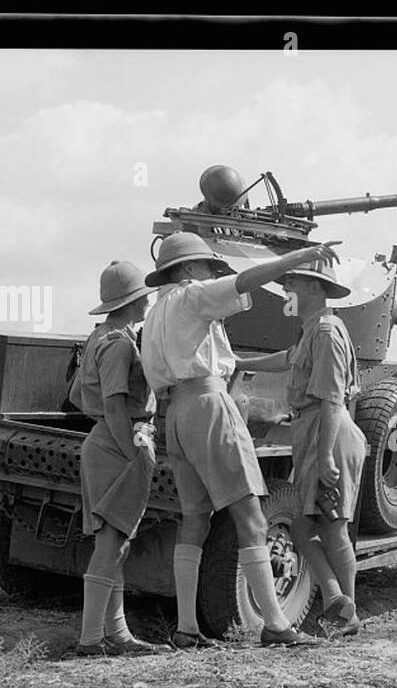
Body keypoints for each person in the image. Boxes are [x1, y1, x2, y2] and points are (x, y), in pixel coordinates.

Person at [141, 231, 341, 648]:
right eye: (207, 266)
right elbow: (244, 282)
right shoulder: (192, 294)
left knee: (194, 520)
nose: (211, 272)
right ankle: (275, 624)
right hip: (209, 403)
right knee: (252, 518)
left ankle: (186, 628)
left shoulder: (158, 309)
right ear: (191, 268)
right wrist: (297, 257)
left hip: (174, 413)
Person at [234, 254, 365, 636]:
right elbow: (290, 360)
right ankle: (338, 603)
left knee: (332, 527)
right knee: (305, 525)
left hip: (330, 434)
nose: (287, 287)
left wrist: (324, 456)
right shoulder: (313, 329)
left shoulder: (325, 332)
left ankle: (345, 612)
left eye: (295, 281)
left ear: (315, 287)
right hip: (316, 433)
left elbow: (331, 399)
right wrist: (242, 363)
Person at [70, 260, 170, 656]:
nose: (148, 302)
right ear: (134, 301)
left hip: (104, 441)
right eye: (143, 296)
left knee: (116, 543)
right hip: (120, 439)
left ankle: (115, 633)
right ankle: (91, 640)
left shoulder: (101, 336)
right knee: (111, 544)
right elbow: (113, 405)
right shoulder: (118, 344)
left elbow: (80, 396)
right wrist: (132, 453)